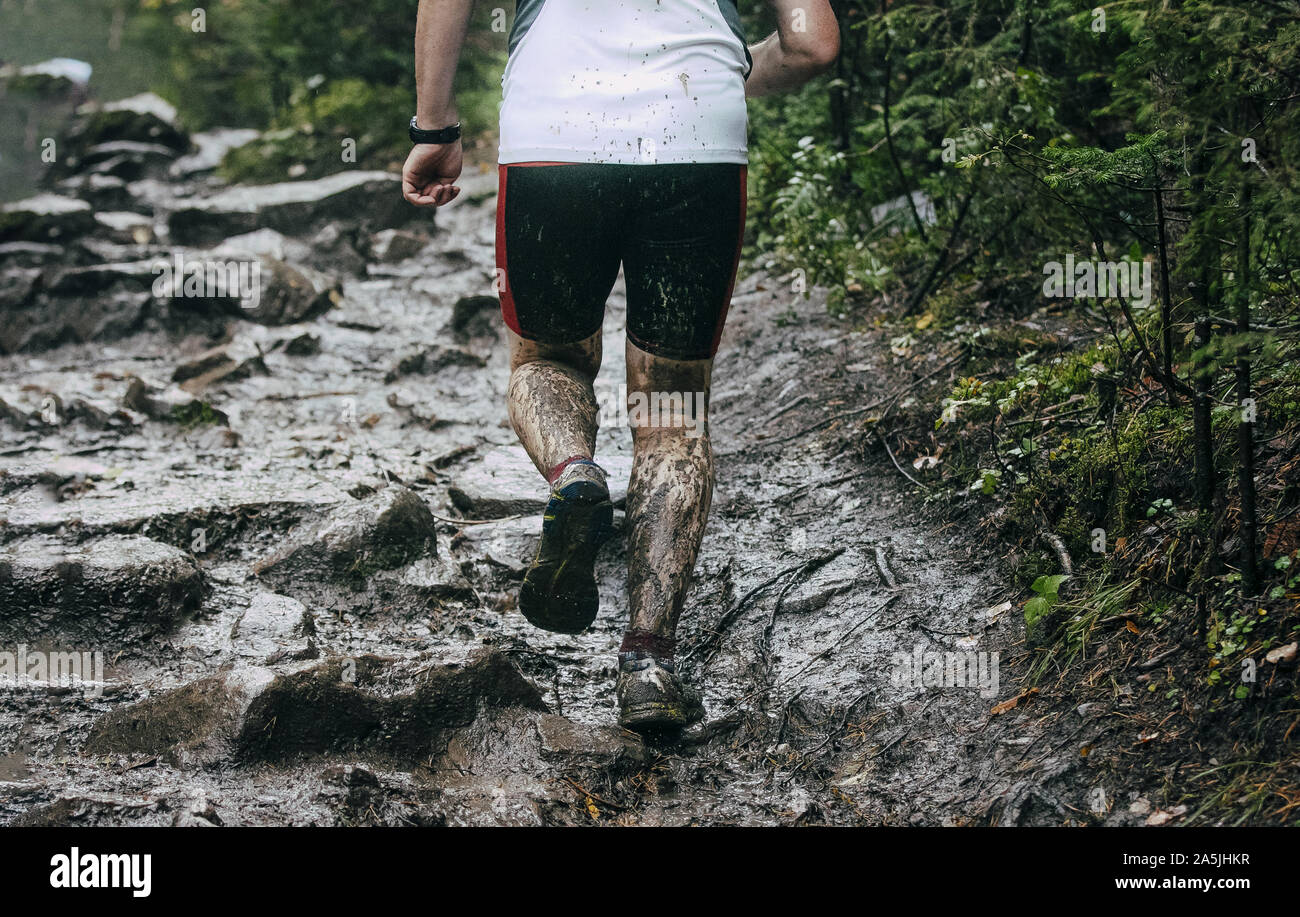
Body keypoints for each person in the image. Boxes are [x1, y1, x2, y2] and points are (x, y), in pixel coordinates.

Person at [403, 0, 839, 732]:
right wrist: (720, 73)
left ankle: (574, 472)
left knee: (549, 358)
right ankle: (648, 662)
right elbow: (812, 45)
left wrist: (435, 127)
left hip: (556, 134)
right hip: (697, 143)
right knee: (672, 411)